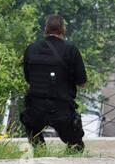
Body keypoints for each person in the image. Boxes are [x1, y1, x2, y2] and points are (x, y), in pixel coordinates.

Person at [21, 15, 88, 151]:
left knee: (34, 137)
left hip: (36, 109)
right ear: (63, 31)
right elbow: (82, 83)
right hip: (61, 109)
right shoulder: (71, 51)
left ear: (45, 30)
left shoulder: (31, 49)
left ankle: (40, 153)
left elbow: (28, 80)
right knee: (76, 146)